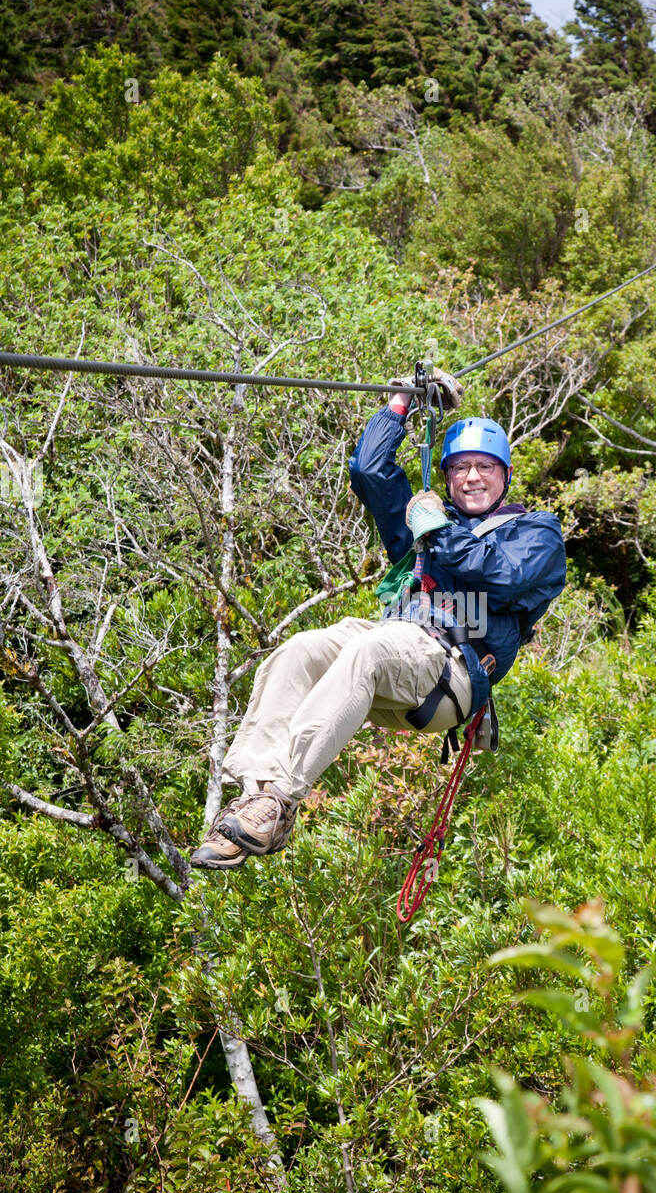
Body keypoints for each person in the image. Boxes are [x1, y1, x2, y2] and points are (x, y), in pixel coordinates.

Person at [191, 367, 567, 869]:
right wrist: (399, 404)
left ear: (505, 476)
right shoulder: (427, 519)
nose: (471, 477)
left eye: (484, 467)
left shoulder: (535, 532)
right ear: (448, 475)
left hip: (453, 667)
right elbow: (370, 471)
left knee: (367, 650)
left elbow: (502, 578)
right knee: (301, 650)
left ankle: (281, 794)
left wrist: (436, 532)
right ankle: (257, 802)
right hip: (398, 646)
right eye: (459, 468)